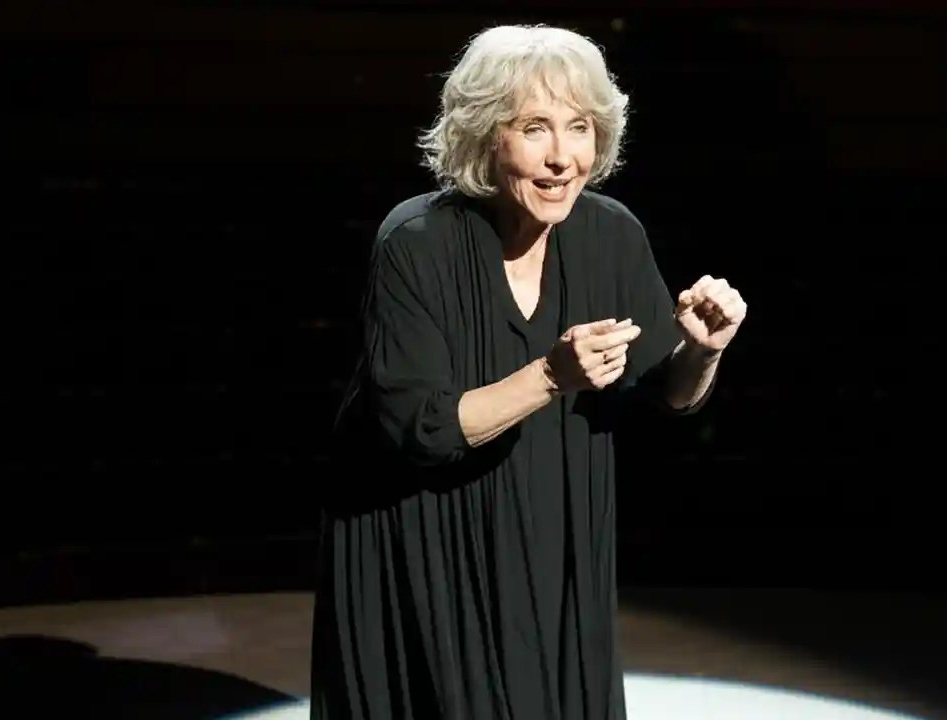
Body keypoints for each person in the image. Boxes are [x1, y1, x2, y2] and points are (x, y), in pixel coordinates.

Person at [311, 24, 747, 720]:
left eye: (578, 128)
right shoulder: (416, 244)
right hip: (427, 536)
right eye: (534, 128)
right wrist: (549, 374)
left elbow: (673, 395)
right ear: (486, 136)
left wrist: (703, 350)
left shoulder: (611, 234)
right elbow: (422, 429)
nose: (561, 159)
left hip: (554, 531)